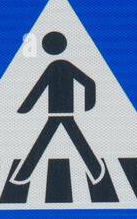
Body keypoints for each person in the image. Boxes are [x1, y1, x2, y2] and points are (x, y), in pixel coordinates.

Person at [14, 31, 104, 184]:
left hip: (58, 112)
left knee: (45, 141)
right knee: (72, 140)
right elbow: (89, 83)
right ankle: (96, 171)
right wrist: (87, 105)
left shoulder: (56, 66)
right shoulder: (64, 65)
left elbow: (39, 88)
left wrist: (26, 107)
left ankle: (23, 174)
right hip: (63, 112)